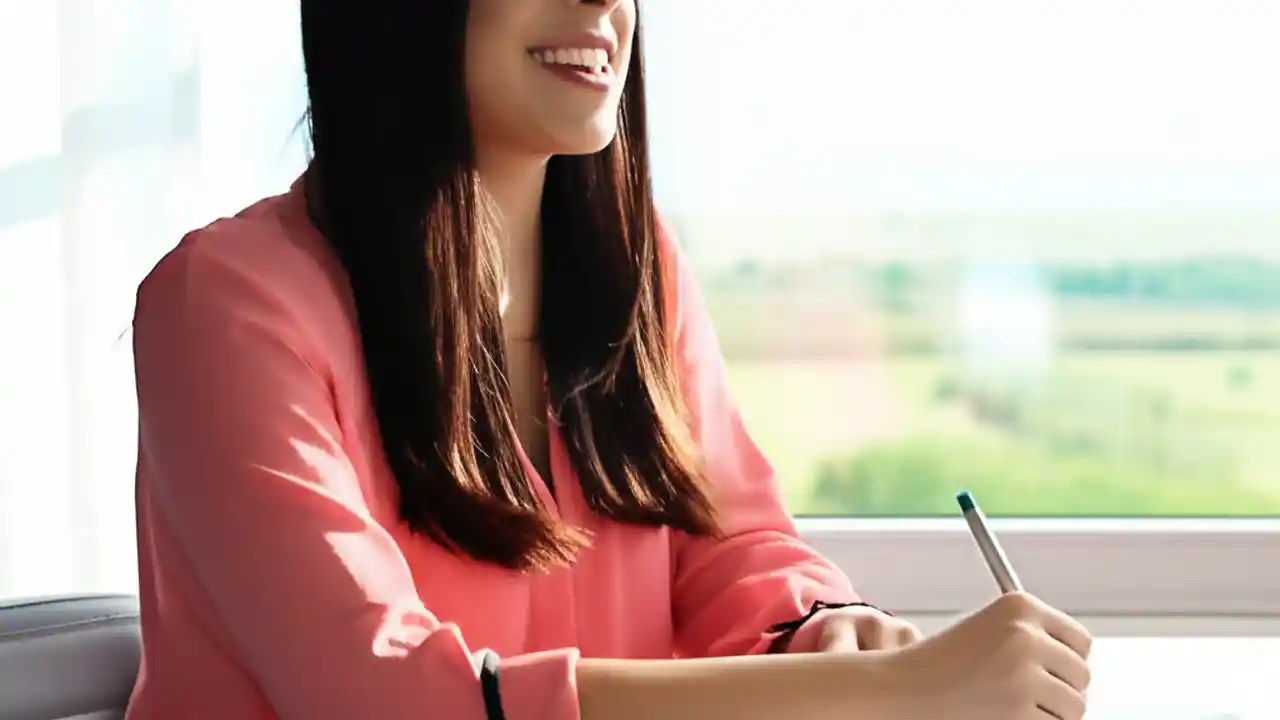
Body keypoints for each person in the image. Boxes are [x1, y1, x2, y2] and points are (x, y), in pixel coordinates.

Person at [125, 1, 1092, 718]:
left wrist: (818, 631)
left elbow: (733, 544)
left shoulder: (640, 271)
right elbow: (384, 693)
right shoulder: (226, 309)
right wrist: (876, 691)